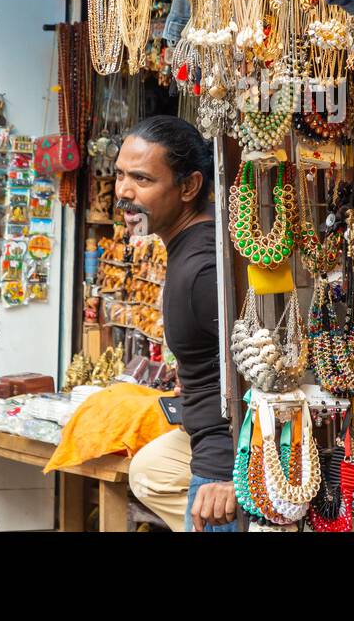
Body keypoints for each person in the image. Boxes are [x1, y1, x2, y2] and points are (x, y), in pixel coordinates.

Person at [119, 115, 236, 532]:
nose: (124, 193)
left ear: (189, 187)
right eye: (120, 176)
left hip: (221, 467)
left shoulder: (201, 271)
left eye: (142, 180)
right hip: (203, 439)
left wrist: (231, 478)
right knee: (147, 471)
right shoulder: (191, 248)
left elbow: (266, 373)